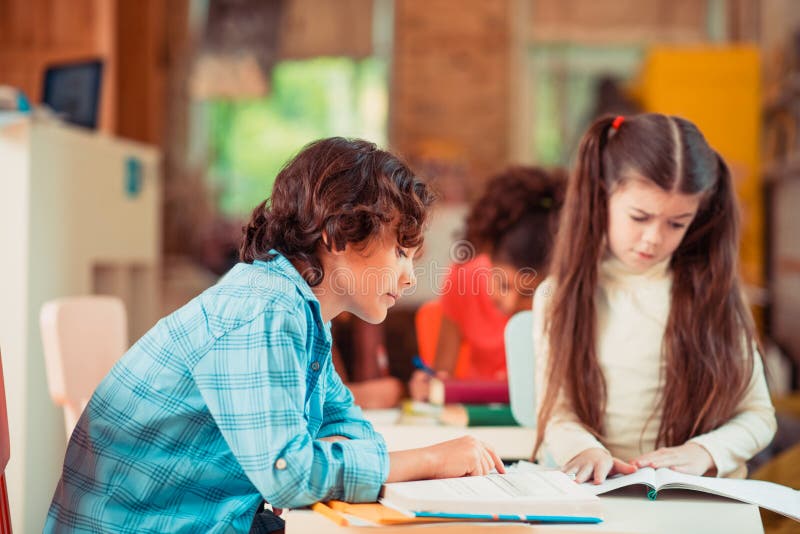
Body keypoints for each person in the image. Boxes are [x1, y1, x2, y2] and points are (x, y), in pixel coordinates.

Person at [45, 138, 504, 533]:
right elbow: (288, 475)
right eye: (401, 251)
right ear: (337, 233)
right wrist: (428, 460)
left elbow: (344, 426)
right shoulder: (264, 309)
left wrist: (380, 459)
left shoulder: (303, 315)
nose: (408, 278)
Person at [533, 114, 777, 485]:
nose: (653, 238)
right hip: (602, 493)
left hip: (697, 496)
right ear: (603, 195)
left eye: (677, 223)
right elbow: (557, 414)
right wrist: (586, 452)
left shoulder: (714, 291)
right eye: (640, 216)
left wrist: (705, 452)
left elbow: (759, 416)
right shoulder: (558, 296)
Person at [409, 167, 564, 400]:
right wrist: (428, 385)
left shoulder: (560, 297)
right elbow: (442, 374)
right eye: (503, 284)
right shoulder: (463, 280)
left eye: (528, 293)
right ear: (488, 255)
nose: (511, 303)